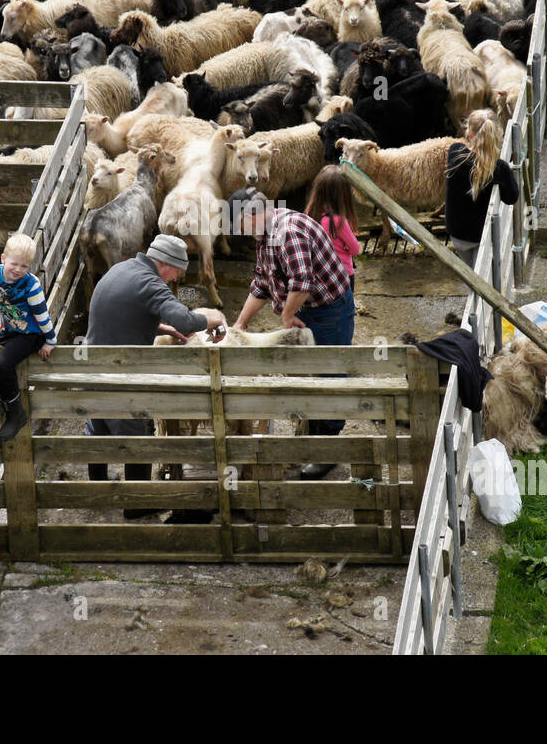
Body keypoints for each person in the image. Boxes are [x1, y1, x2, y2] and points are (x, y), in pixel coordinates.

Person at [84, 233, 226, 518]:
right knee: (138, 433)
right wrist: (215, 318)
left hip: (93, 368)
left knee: (97, 428)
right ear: (164, 264)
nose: (175, 280)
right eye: (176, 272)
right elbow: (185, 319)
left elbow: (123, 314)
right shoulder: (150, 283)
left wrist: (162, 329)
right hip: (120, 375)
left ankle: (96, 491)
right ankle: (137, 505)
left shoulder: (121, 269)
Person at [228, 187, 354, 479]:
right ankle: (315, 436)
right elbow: (261, 283)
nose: (239, 230)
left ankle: (329, 451)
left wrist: (287, 315)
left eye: (240, 223)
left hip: (329, 310)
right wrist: (240, 325)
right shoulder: (264, 236)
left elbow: (302, 281)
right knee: (312, 374)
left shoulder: (287, 233)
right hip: (306, 307)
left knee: (329, 374)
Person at [0, 232, 55, 441]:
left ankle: (16, 414)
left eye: (24, 266)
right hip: (10, 330)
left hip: (31, 334)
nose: (18, 270)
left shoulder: (31, 285)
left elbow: (42, 315)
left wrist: (50, 340)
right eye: (14, 263)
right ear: (3, 258)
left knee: (2, 365)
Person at [445, 109, 520, 264]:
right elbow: (512, 197)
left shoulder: (455, 153)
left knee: (471, 274)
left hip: (457, 233)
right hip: (481, 236)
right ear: (497, 134)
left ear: (469, 134)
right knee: (483, 275)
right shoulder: (499, 168)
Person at [304, 165, 362, 290]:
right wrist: (346, 247)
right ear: (343, 195)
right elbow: (355, 249)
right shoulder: (338, 221)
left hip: (319, 274)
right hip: (343, 274)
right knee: (346, 308)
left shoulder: (310, 214)